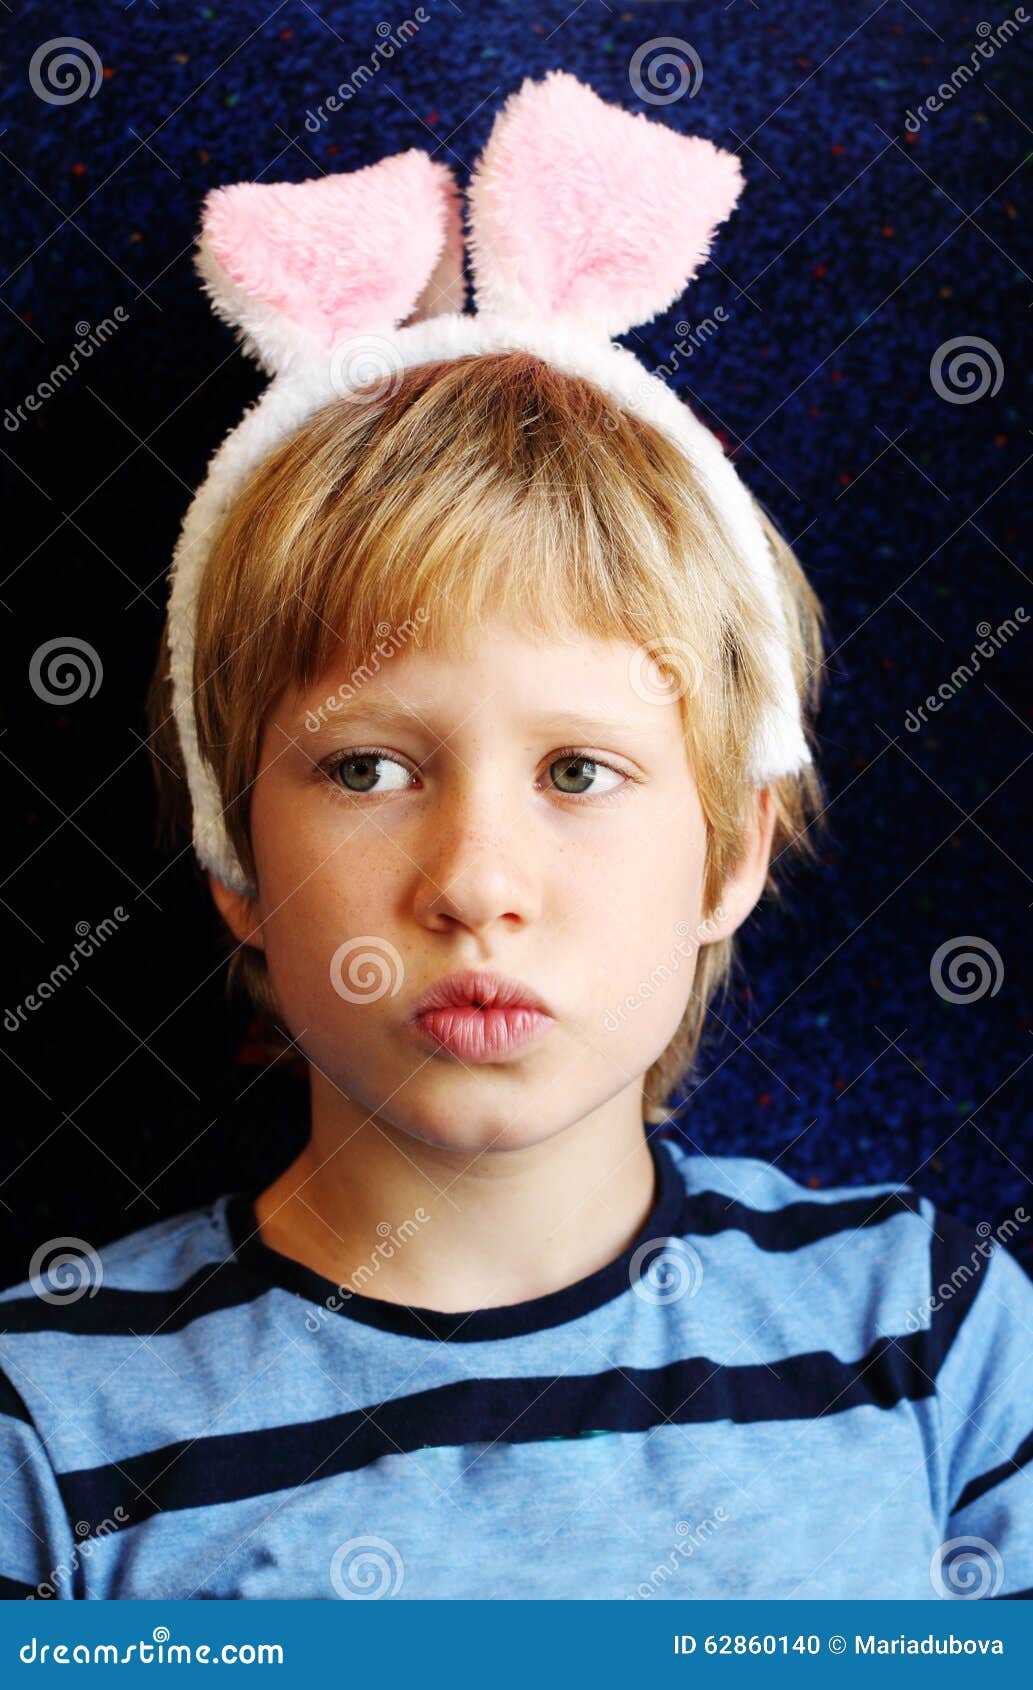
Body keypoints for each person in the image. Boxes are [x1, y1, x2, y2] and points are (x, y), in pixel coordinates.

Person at [1, 71, 1030, 1602]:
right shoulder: (48, 1421)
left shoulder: (935, 1335)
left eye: (578, 770)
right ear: (234, 857)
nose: (475, 883)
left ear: (729, 852)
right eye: (363, 767)